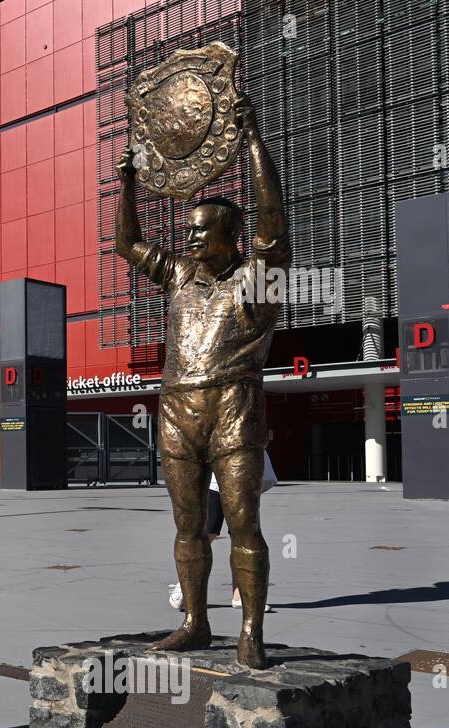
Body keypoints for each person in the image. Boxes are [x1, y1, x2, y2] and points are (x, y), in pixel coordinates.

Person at [116, 91, 290, 668]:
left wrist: (256, 141)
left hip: (234, 406)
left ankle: (251, 632)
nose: (188, 239)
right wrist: (128, 186)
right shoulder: (180, 274)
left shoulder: (256, 280)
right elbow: (126, 244)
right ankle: (193, 620)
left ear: (229, 234)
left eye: (199, 231)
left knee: (243, 522)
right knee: (188, 524)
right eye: (188, 231)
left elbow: (273, 221)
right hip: (176, 408)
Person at [169, 449, 277, 612]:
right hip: (215, 481)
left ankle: (240, 596)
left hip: (243, 481)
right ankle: (184, 586)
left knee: (243, 537)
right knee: (208, 533)